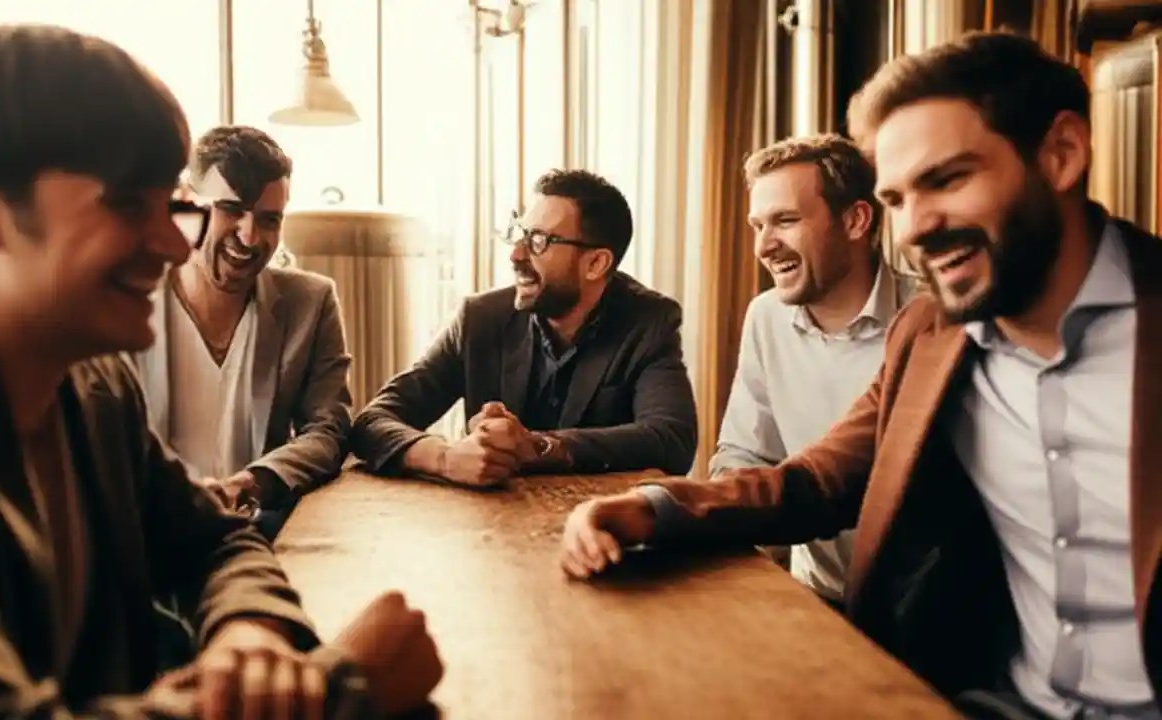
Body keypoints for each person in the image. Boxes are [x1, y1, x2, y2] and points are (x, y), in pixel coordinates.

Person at [559, 31, 1162, 719]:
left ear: (1061, 155)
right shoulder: (930, 336)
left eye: (948, 179)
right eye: (899, 198)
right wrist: (653, 508)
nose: (915, 229)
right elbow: (817, 481)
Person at [0, 24, 440, 719]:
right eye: (126, 205)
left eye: (168, 206)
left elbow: (218, 536)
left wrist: (249, 636)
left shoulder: (94, 385)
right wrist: (340, 687)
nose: (176, 243)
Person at [350, 169, 697, 487]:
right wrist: (445, 458)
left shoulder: (648, 321)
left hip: (599, 532)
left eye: (539, 241)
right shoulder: (481, 319)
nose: (516, 255)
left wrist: (537, 447)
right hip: (488, 530)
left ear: (595, 263)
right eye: (520, 235)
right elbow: (373, 421)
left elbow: (671, 440)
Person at [714, 133, 915, 607]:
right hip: (814, 599)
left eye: (784, 221)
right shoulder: (765, 316)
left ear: (856, 220)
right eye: (756, 225)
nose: (765, 246)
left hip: (924, 619)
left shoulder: (933, 320)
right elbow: (746, 453)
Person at [134, 125, 352, 518]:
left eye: (269, 220)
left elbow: (329, 429)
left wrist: (254, 483)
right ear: (187, 204)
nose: (250, 237)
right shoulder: (131, 302)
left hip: (255, 533)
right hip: (146, 535)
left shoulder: (311, 302)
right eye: (231, 210)